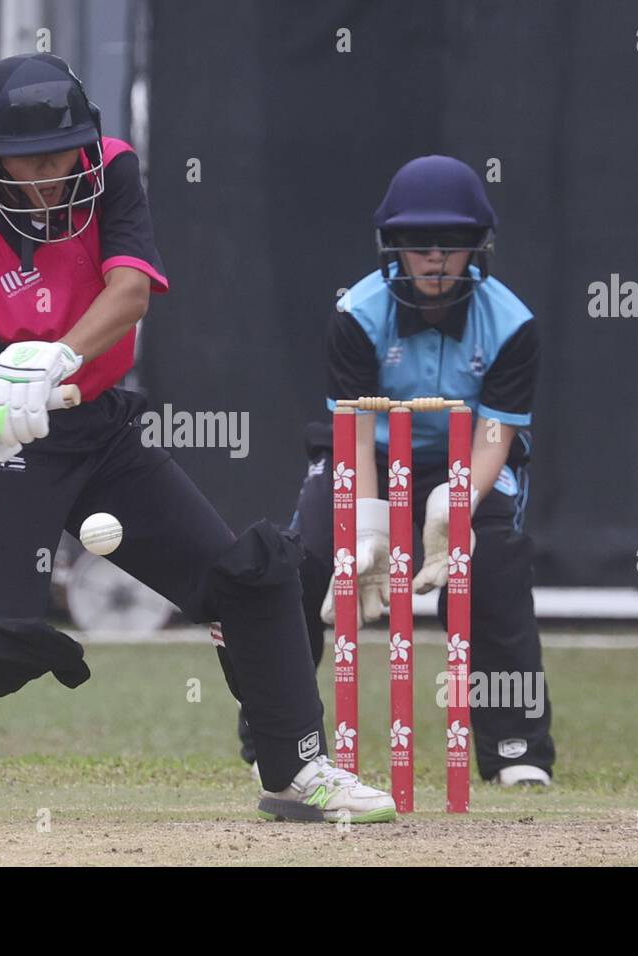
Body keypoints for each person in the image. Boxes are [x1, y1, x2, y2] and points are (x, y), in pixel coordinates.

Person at [0, 53, 396, 824]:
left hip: (102, 428)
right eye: (29, 160)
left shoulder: (112, 173)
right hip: (11, 447)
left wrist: (58, 358)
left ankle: (295, 771)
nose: (51, 176)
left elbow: (130, 290)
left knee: (249, 575)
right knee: (1, 638)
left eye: (62, 154)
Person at [238, 155, 556, 787]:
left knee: (492, 567)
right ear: (395, 246)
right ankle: (278, 743)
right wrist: (373, 526)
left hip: (470, 460)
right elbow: (352, 431)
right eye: (418, 243)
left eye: (452, 242)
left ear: (477, 246)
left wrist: (453, 502)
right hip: (371, 455)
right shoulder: (357, 315)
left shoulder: (513, 324)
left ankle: (516, 748)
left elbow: (498, 434)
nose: (435, 258)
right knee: (304, 564)